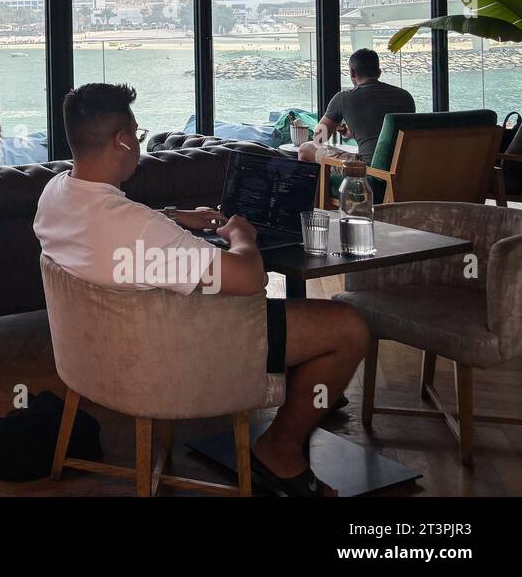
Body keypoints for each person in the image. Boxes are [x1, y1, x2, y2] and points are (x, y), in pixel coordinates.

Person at [34, 82, 369, 497]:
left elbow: (113, 231)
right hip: (180, 354)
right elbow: (248, 279)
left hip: (94, 357)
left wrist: (173, 217)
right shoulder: (137, 227)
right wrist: (241, 234)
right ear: (121, 141)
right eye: (136, 135)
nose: (138, 144)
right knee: (348, 327)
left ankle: (304, 393)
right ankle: (280, 452)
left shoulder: (55, 193)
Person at [299, 48, 414, 165]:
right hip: (402, 170)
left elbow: (319, 138)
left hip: (367, 171)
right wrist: (353, 131)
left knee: (305, 149)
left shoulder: (343, 98)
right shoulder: (406, 97)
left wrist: (334, 126)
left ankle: (323, 183)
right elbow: (384, 135)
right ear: (379, 72)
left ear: (352, 73)